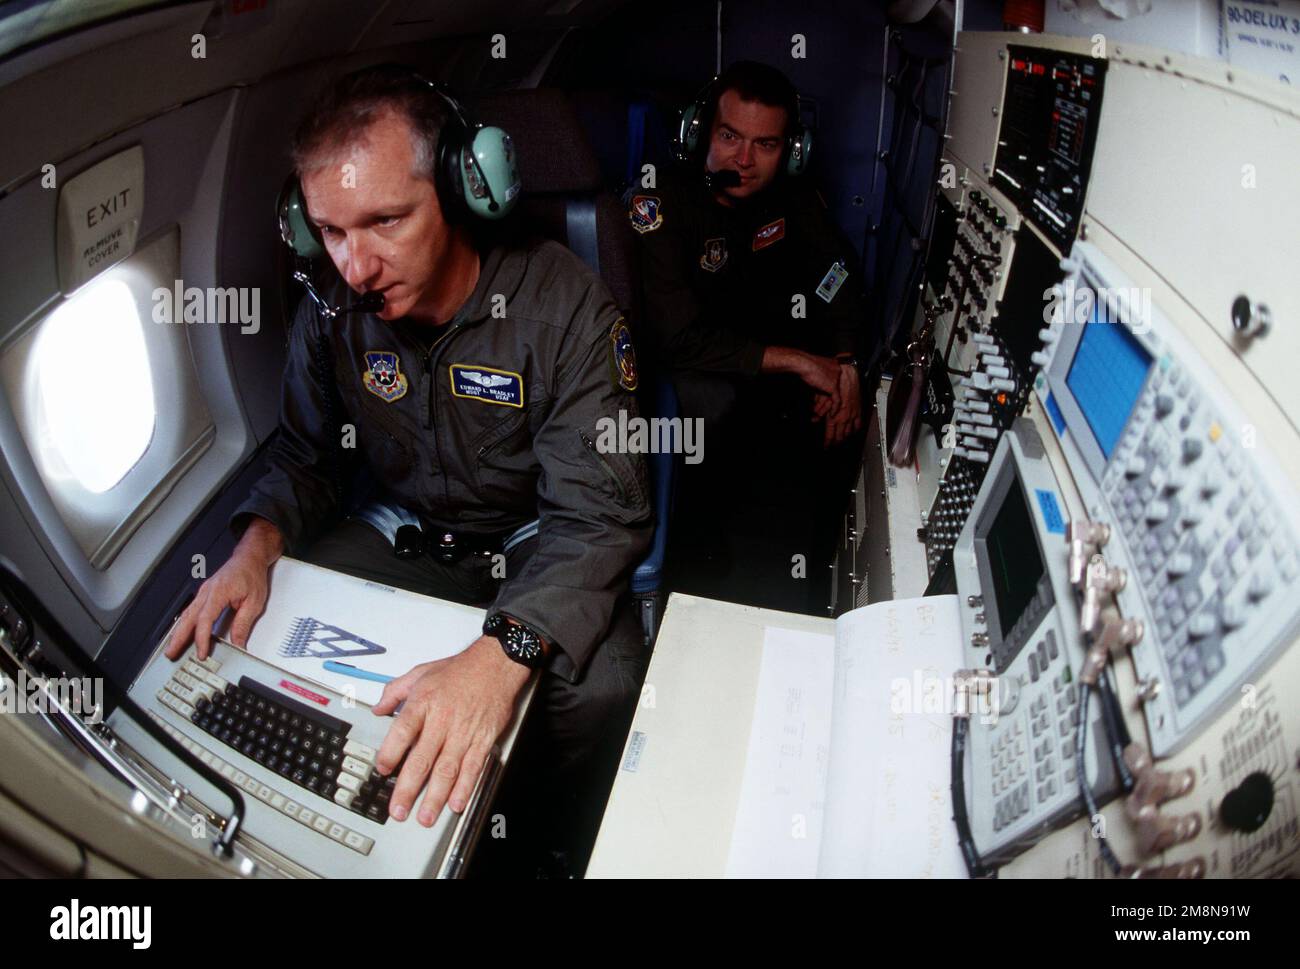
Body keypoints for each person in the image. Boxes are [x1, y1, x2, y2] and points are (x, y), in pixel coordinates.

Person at [164, 65, 653, 872]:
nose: (356, 265)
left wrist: (499, 657)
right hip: (402, 530)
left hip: (536, 538)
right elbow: (305, 455)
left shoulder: (564, 307)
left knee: (597, 685)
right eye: (330, 231)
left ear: (465, 193)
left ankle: (527, 838)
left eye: (385, 221)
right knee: (256, 625)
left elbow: (599, 518)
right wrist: (254, 549)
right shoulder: (331, 307)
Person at [630, 60, 875, 612]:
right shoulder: (660, 206)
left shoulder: (793, 203)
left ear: (791, 152)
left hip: (769, 391)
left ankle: (813, 586)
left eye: (764, 144)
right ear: (699, 133)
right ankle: (701, 577)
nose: (743, 160)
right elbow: (678, 339)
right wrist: (799, 362)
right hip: (695, 385)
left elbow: (838, 280)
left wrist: (844, 362)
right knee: (711, 408)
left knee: (841, 412)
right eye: (729, 136)